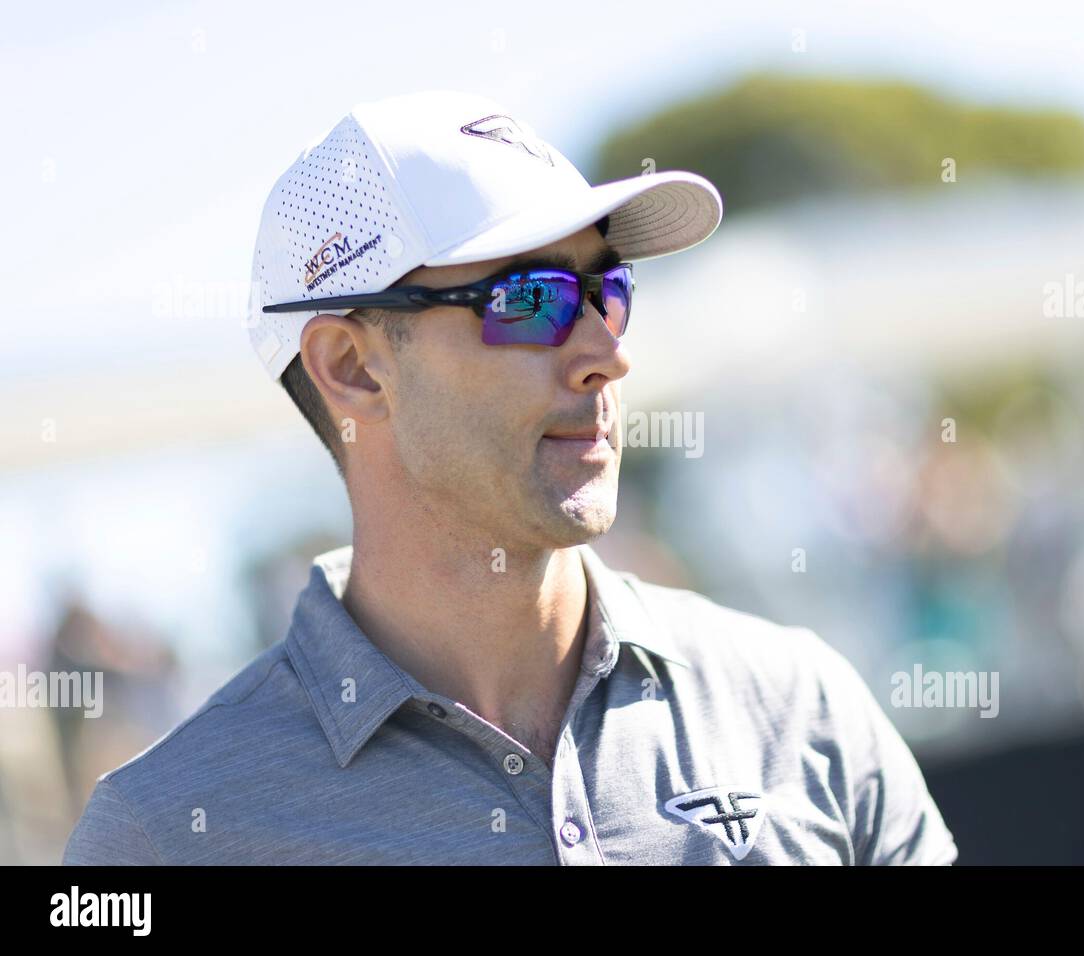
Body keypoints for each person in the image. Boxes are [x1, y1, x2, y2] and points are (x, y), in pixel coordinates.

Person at [63, 90, 957, 865]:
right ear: (351, 369)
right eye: (529, 298)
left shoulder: (797, 704)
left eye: (610, 290)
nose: (607, 353)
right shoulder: (165, 834)